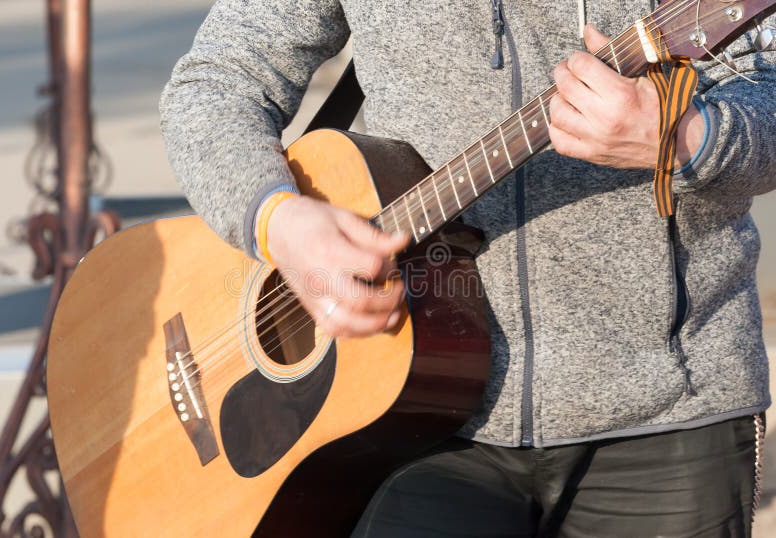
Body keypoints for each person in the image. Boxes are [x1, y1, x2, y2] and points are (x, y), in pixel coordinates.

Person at [159, 0, 775, 535]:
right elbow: (215, 84)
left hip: (671, 413)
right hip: (408, 416)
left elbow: (765, 87)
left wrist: (690, 137)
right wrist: (275, 221)